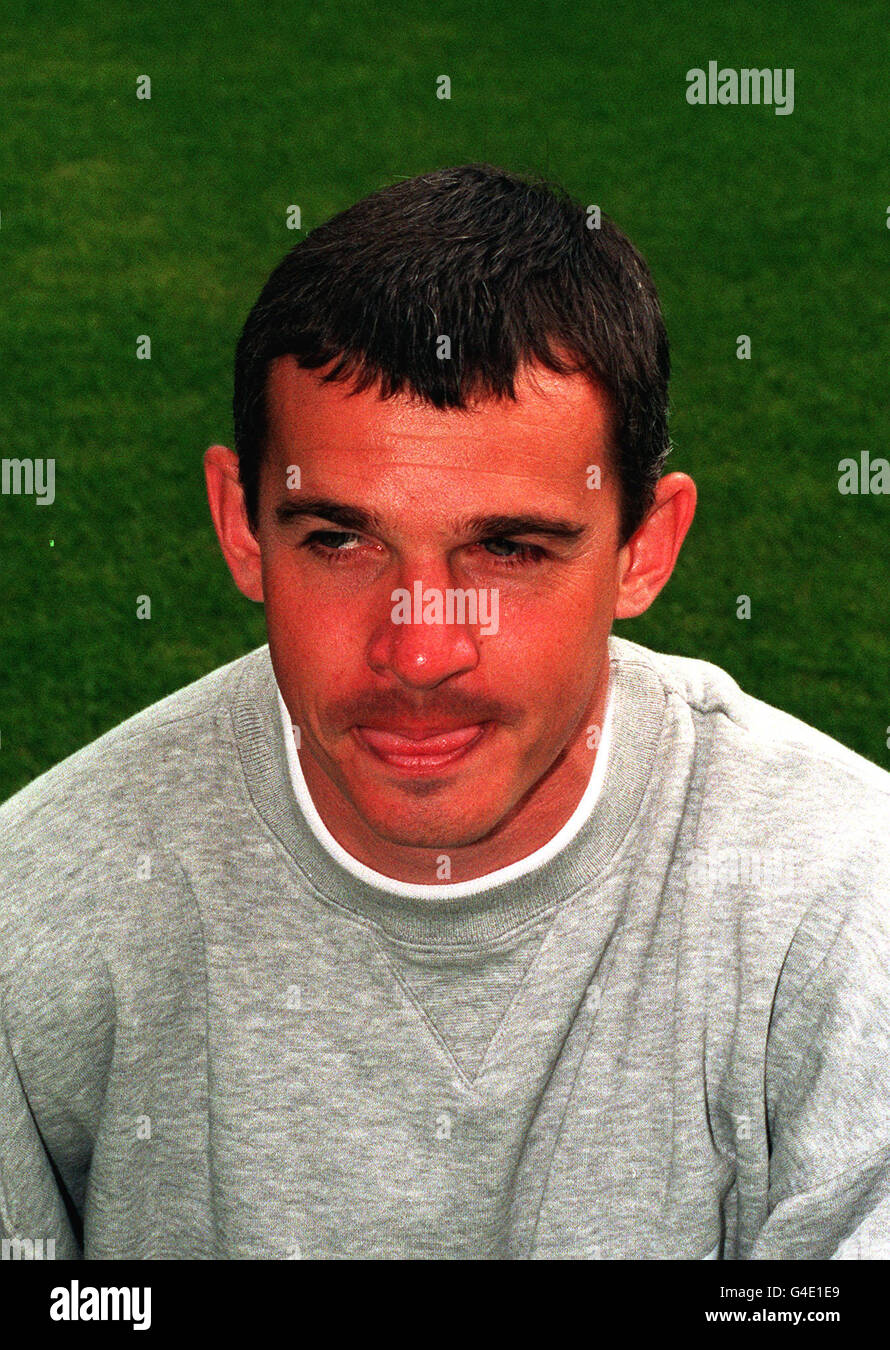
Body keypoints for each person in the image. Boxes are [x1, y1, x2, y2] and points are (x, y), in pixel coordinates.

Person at [1, 163, 889, 1261]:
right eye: (338, 540)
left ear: (644, 547)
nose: (419, 649)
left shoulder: (843, 900)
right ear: (239, 525)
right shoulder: (36, 905)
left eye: (508, 549)